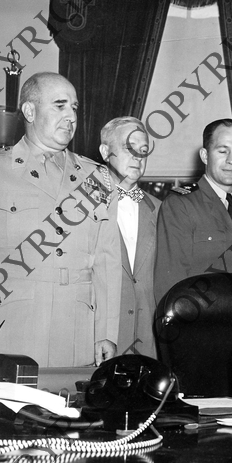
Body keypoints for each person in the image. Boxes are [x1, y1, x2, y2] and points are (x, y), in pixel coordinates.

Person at [0, 72, 121, 368]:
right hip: (8, 335)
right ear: (29, 111)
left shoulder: (99, 179)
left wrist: (106, 332)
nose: (71, 116)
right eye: (59, 105)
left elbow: (107, 262)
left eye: (74, 108)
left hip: (78, 337)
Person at [154, 119, 232, 302]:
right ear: (205, 155)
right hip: (195, 323)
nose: (231, 160)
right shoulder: (181, 205)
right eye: (223, 151)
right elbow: (168, 285)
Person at [99, 117, 160, 359]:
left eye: (143, 150)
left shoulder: (160, 209)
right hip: (102, 341)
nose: (137, 156)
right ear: (105, 151)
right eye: (129, 147)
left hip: (147, 344)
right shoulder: (81, 207)